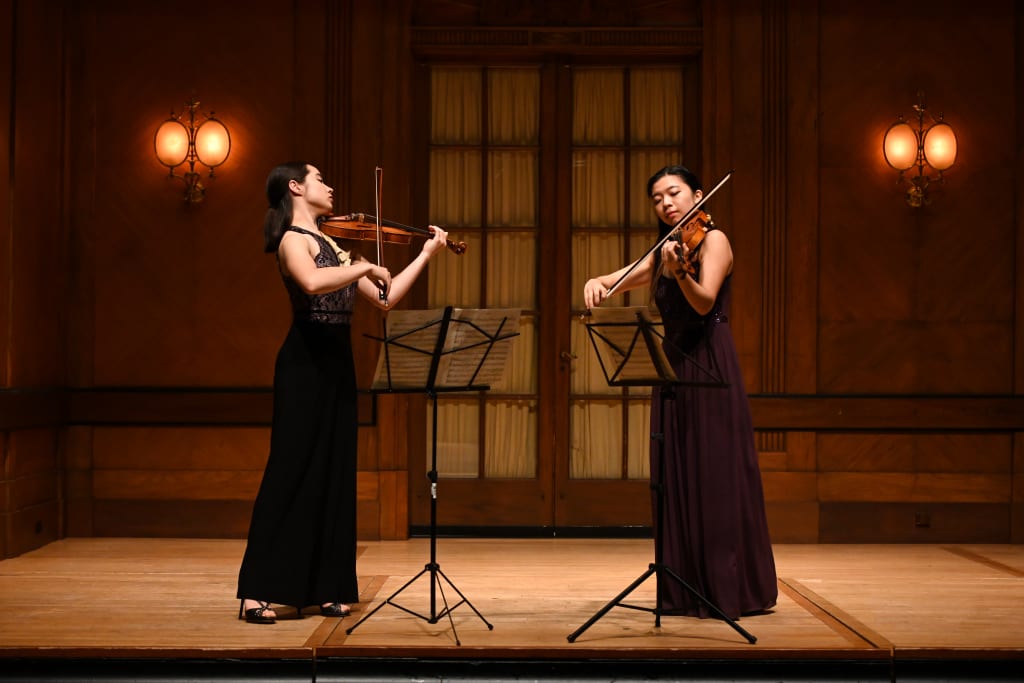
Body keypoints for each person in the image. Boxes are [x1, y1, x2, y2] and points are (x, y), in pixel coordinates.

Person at [237, 161, 448, 623]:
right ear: (296, 187)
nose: (330, 187)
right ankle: (257, 590)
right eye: (320, 179)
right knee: (289, 471)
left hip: (337, 364)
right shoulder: (294, 239)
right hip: (303, 365)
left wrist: (426, 254)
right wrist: (365, 266)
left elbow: (387, 299)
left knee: (334, 474)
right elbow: (312, 284)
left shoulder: (334, 245)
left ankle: (327, 586)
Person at [583, 164, 777, 620]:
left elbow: (705, 299)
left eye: (673, 193)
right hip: (671, 363)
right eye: (656, 198)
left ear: (698, 195)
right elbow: (624, 276)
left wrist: (681, 274)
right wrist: (600, 281)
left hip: (708, 361)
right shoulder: (664, 250)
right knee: (677, 471)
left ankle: (728, 586)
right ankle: (685, 586)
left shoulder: (714, 240)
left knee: (713, 472)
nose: (665, 203)